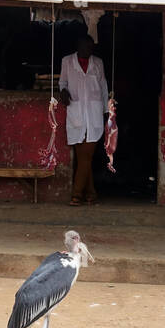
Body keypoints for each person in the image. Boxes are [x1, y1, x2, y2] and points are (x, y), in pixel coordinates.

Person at [57, 33, 110, 206]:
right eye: (86, 46)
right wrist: (63, 91)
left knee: (86, 156)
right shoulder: (67, 61)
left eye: (91, 47)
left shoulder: (98, 63)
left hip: (94, 114)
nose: (89, 50)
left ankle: (77, 194)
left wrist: (105, 111)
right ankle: (91, 194)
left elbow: (103, 87)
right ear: (78, 47)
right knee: (83, 158)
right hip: (76, 112)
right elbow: (62, 83)